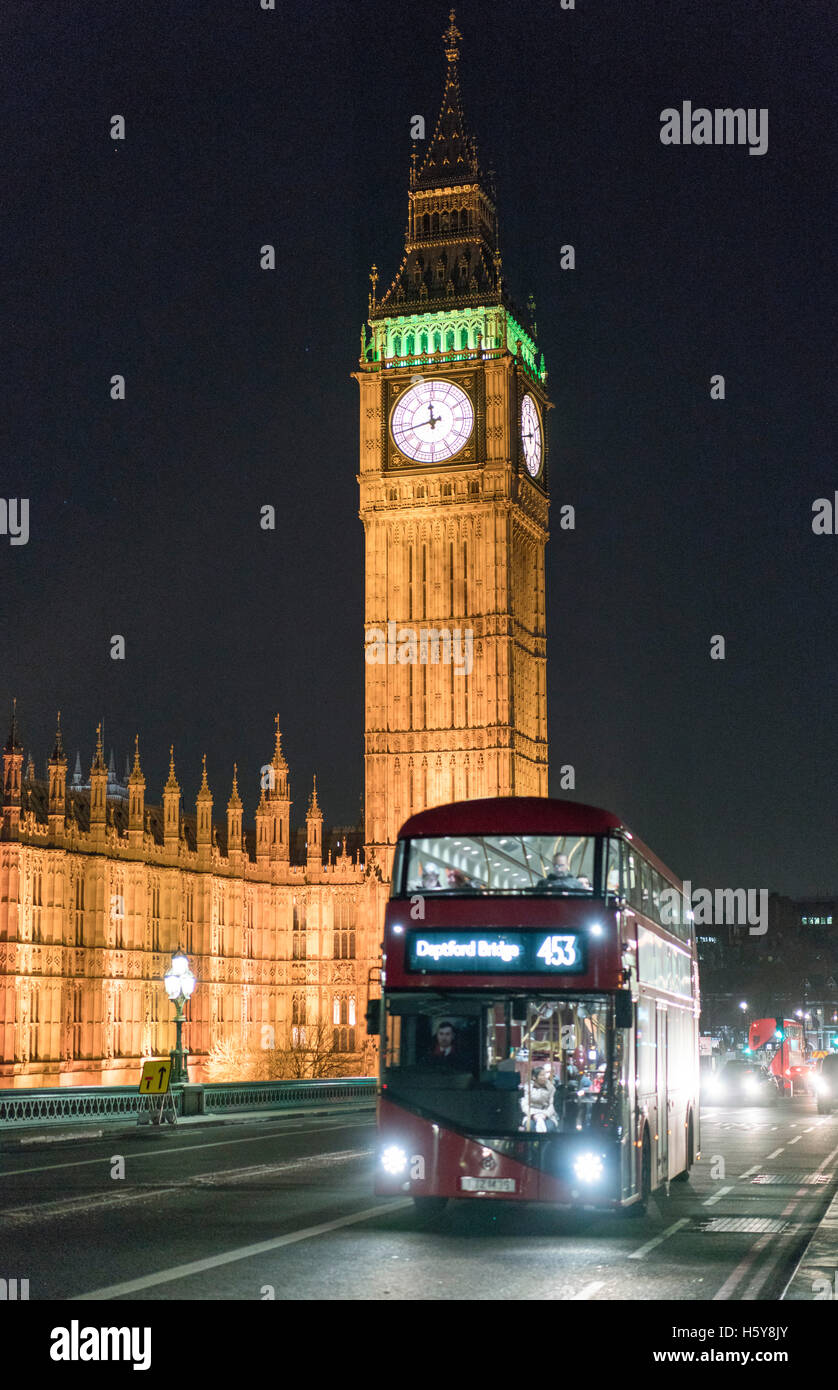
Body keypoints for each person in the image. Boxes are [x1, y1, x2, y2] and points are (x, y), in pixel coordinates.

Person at [520, 1065, 558, 1132]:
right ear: (534, 1077)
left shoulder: (551, 1088)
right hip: (531, 1114)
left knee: (549, 1128)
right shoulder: (528, 1087)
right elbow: (525, 1104)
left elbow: (552, 1104)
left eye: (544, 1075)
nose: (544, 1077)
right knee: (530, 1127)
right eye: (541, 1075)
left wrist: (545, 1115)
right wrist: (533, 1115)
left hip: (547, 1115)